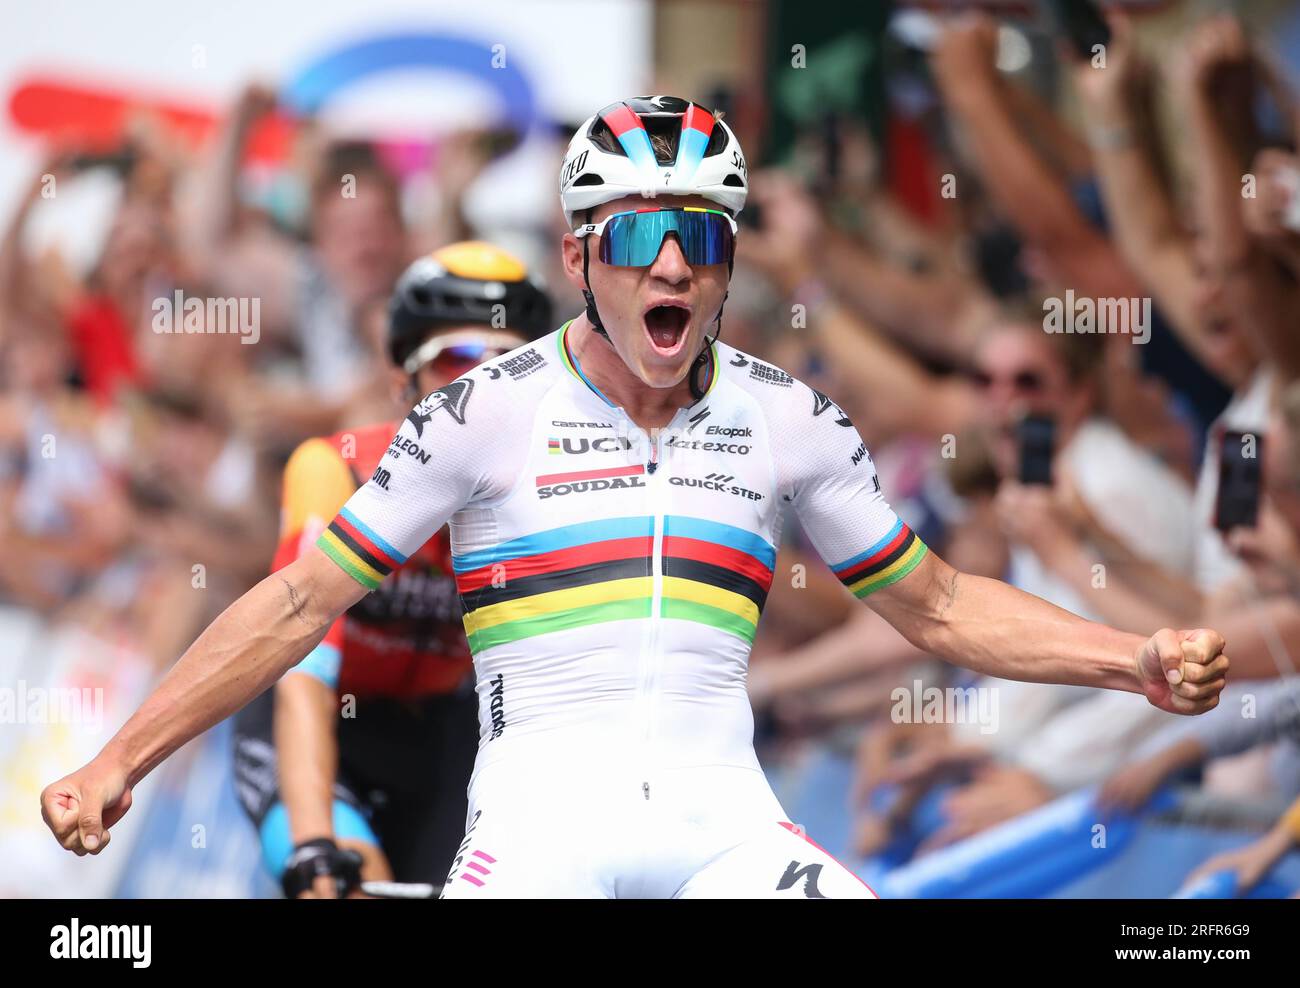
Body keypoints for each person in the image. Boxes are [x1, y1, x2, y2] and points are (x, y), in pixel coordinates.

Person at [42, 96, 1229, 899]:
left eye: (703, 239)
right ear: (577, 258)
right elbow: (297, 606)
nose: (674, 265)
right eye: (643, 234)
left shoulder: (789, 416)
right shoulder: (481, 409)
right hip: (537, 838)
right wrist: (119, 761)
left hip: (726, 830)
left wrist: (1130, 657)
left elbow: (947, 607)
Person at [231, 242, 551, 897]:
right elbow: (304, 674)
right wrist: (317, 846)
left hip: (440, 736)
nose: (481, 387)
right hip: (319, 725)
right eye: (457, 359)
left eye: (509, 366)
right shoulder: (336, 470)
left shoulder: (555, 502)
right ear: (402, 377)